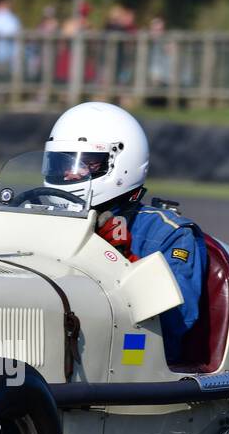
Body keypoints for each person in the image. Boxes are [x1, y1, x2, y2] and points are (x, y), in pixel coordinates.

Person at [42, 102, 208, 361]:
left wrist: (122, 260)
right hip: (60, 349)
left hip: (134, 363)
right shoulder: (43, 219)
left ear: (122, 163)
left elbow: (179, 321)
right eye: (62, 163)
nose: (69, 174)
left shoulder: (169, 233)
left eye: (85, 164)